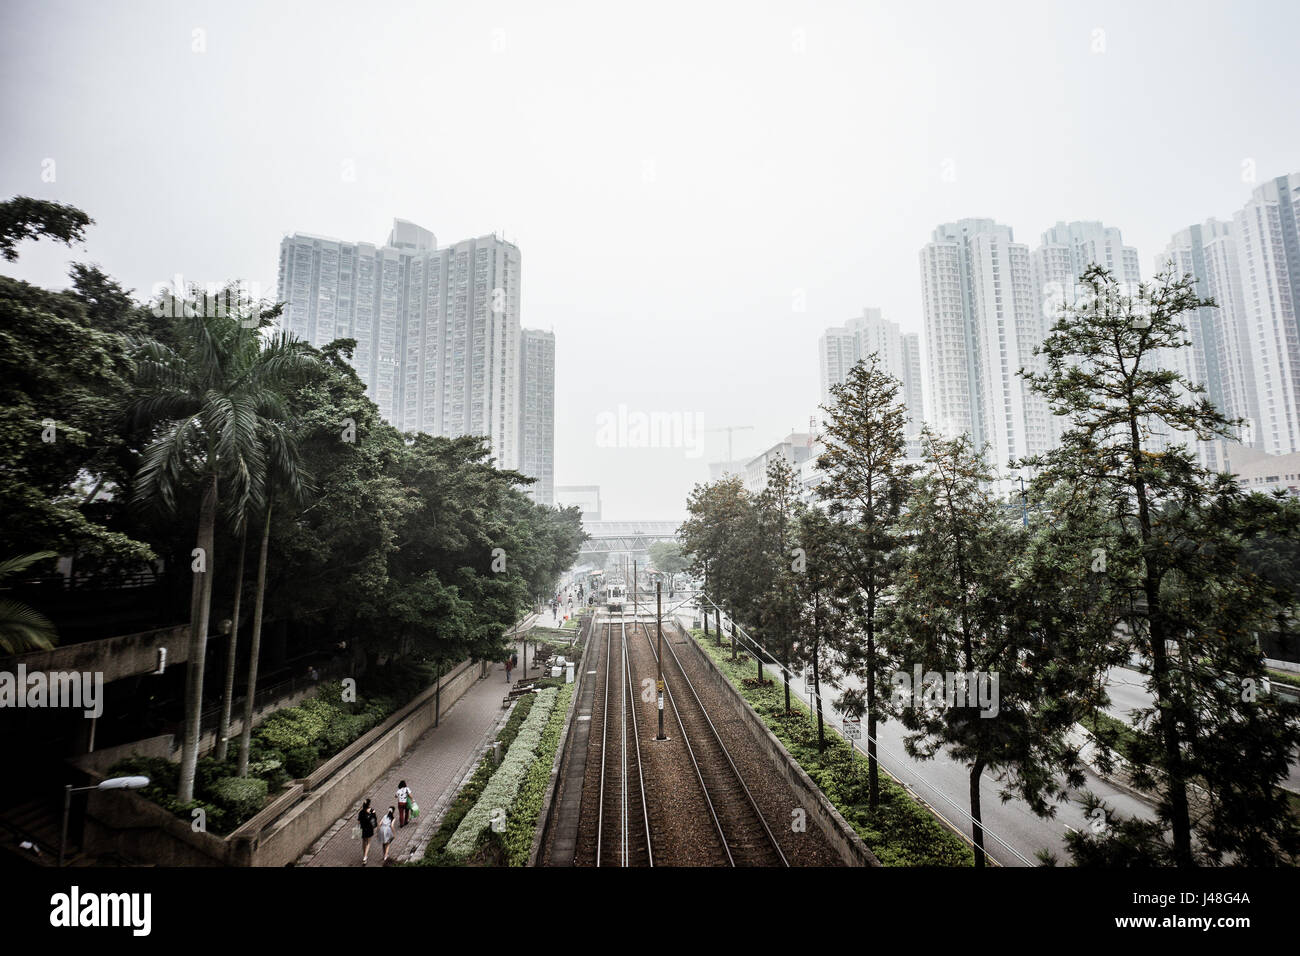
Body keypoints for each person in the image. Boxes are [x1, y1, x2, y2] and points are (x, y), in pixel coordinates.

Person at [358, 798, 378, 864]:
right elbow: (374, 819)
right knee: (368, 843)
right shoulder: (372, 811)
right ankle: (365, 856)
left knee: (364, 841)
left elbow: (358, 821)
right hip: (369, 829)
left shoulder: (361, 812)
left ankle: (364, 855)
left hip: (363, 829)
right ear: (369, 804)